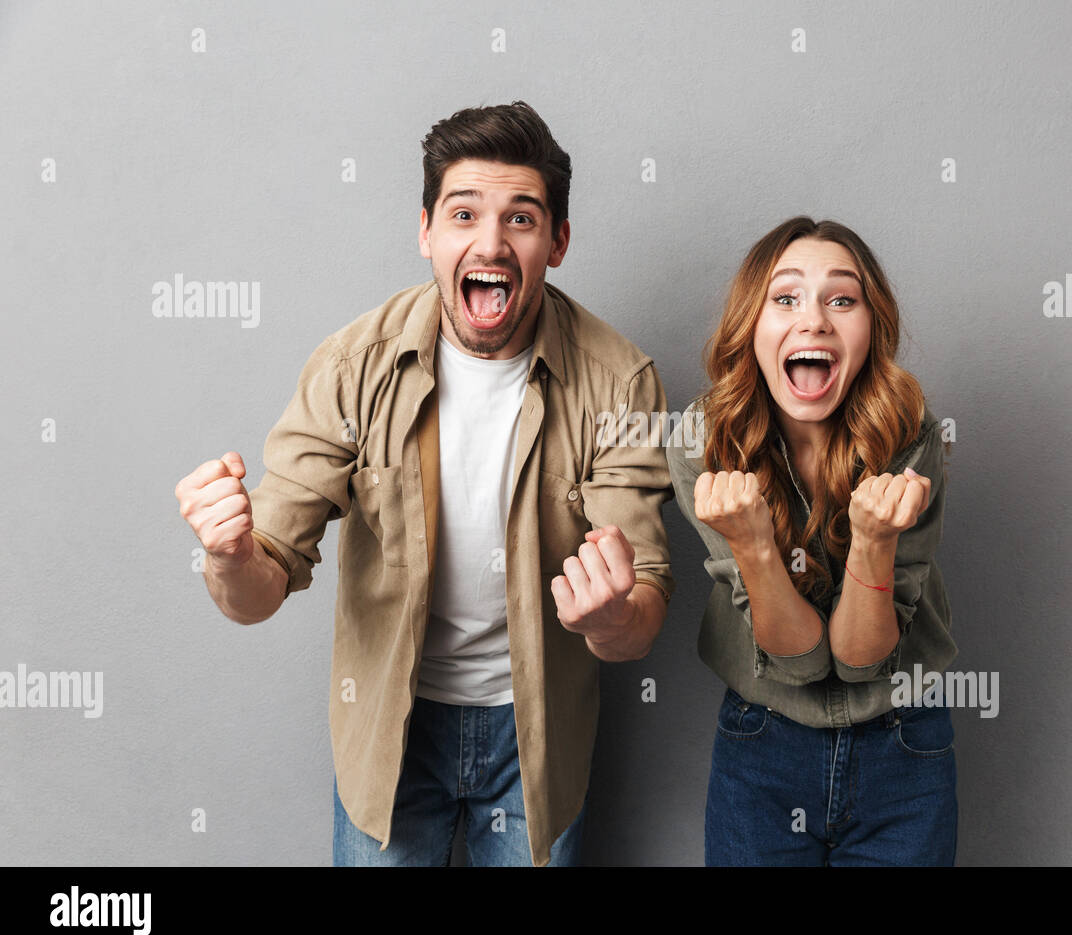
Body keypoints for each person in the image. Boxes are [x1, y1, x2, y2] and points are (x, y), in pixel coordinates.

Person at [174, 101, 675, 867]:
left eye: (522, 218)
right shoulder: (352, 369)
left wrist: (608, 616)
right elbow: (257, 591)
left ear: (559, 242)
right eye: (464, 213)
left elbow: (639, 617)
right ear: (426, 233)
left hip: (536, 735)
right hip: (390, 728)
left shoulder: (620, 381)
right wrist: (228, 556)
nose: (490, 242)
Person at [666, 216, 958, 866]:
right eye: (787, 297)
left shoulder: (912, 437)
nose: (815, 320)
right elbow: (799, 665)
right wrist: (754, 547)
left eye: (842, 299)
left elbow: (858, 663)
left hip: (902, 741)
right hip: (762, 742)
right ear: (754, 325)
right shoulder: (701, 442)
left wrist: (875, 542)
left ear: (871, 327)